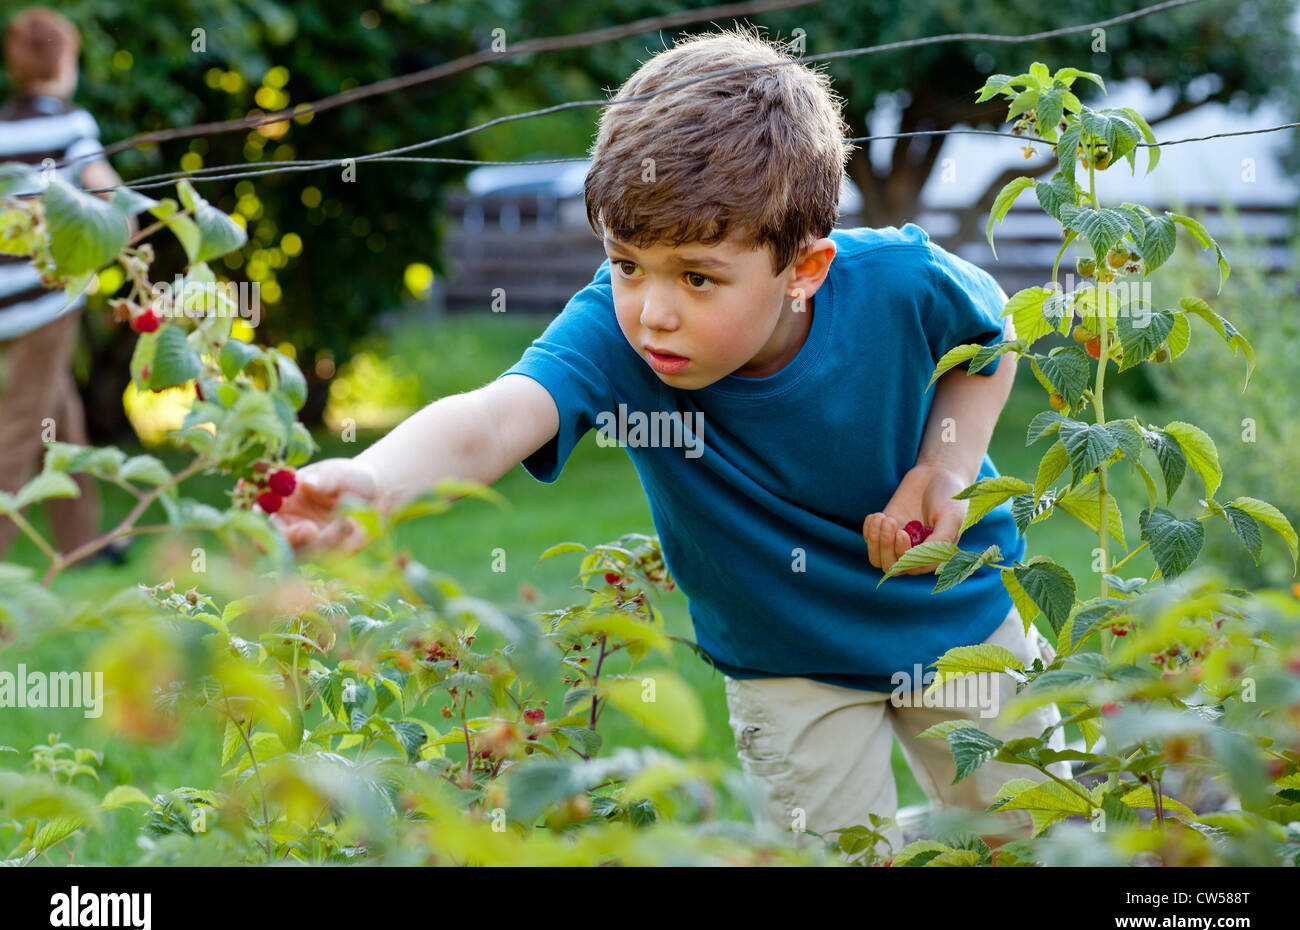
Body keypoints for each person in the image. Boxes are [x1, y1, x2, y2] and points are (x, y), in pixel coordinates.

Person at [271, 26, 1070, 857]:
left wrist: (943, 467)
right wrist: (375, 476)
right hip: (787, 662)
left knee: (1039, 833)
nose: (653, 310)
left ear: (804, 269)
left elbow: (991, 337)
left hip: (957, 615)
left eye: (697, 277)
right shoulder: (615, 340)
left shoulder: (897, 282)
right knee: (833, 855)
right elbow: (494, 419)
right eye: (626, 264)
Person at [0, 7, 132, 564]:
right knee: (18, 428)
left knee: (58, 413)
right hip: (47, 300)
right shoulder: (72, 126)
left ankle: (84, 541)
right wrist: (129, 230)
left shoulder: (4, 126)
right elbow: (112, 198)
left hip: (6, 298)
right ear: (66, 63)